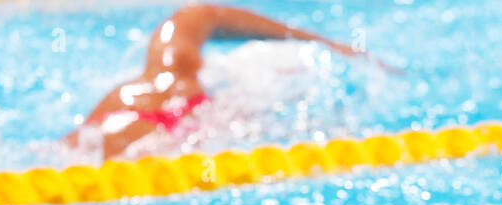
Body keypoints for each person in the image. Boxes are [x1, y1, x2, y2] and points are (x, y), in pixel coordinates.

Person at [64, 4, 395, 159]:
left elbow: (197, 15)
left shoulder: (168, 74)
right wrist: (323, 42)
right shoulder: (180, 77)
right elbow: (202, 13)